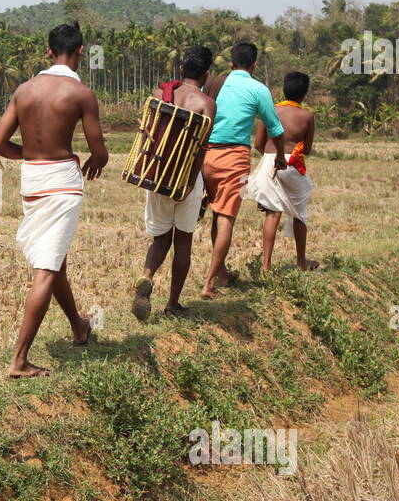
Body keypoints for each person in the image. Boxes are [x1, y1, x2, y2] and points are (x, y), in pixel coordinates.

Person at [0, 23, 108, 377]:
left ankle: (78, 325)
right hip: (62, 181)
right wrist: (94, 162)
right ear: (80, 52)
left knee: (54, 258)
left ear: (48, 51)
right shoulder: (81, 93)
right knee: (46, 266)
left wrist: (29, 155)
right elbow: (99, 151)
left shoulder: (24, 90)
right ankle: (19, 360)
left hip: (32, 178)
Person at [132, 46, 216, 320]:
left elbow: (147, 133)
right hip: (185, 181)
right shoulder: (206, 104)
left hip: (158, 176)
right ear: (206, 74)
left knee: (160, 239)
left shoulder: (160, 94)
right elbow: (201, 148)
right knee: (183, 243)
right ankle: (173, 304)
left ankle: (146, 275)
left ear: (181, 69)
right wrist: (191, 182)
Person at [200, 42, 287, 298]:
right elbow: (276, 129)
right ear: (254, 65)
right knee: (226, 217)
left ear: (231, 64)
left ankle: (222, 272)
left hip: (204, 155)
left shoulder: (213, 83)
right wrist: (279, 156)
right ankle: (208, 284)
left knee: (216, 213)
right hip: (234, 157)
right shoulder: (258, 89)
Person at [246, 71, 317, 271]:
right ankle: (302, 262)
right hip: (293, 165)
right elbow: (308, 149)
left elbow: (259, 144)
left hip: (270, 161)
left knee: (272, 213)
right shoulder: (307, 116)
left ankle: (266, 265)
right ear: (304, 94)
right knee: (299, 215)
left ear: (284, 90)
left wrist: (272, 155)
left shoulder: (272, 111)